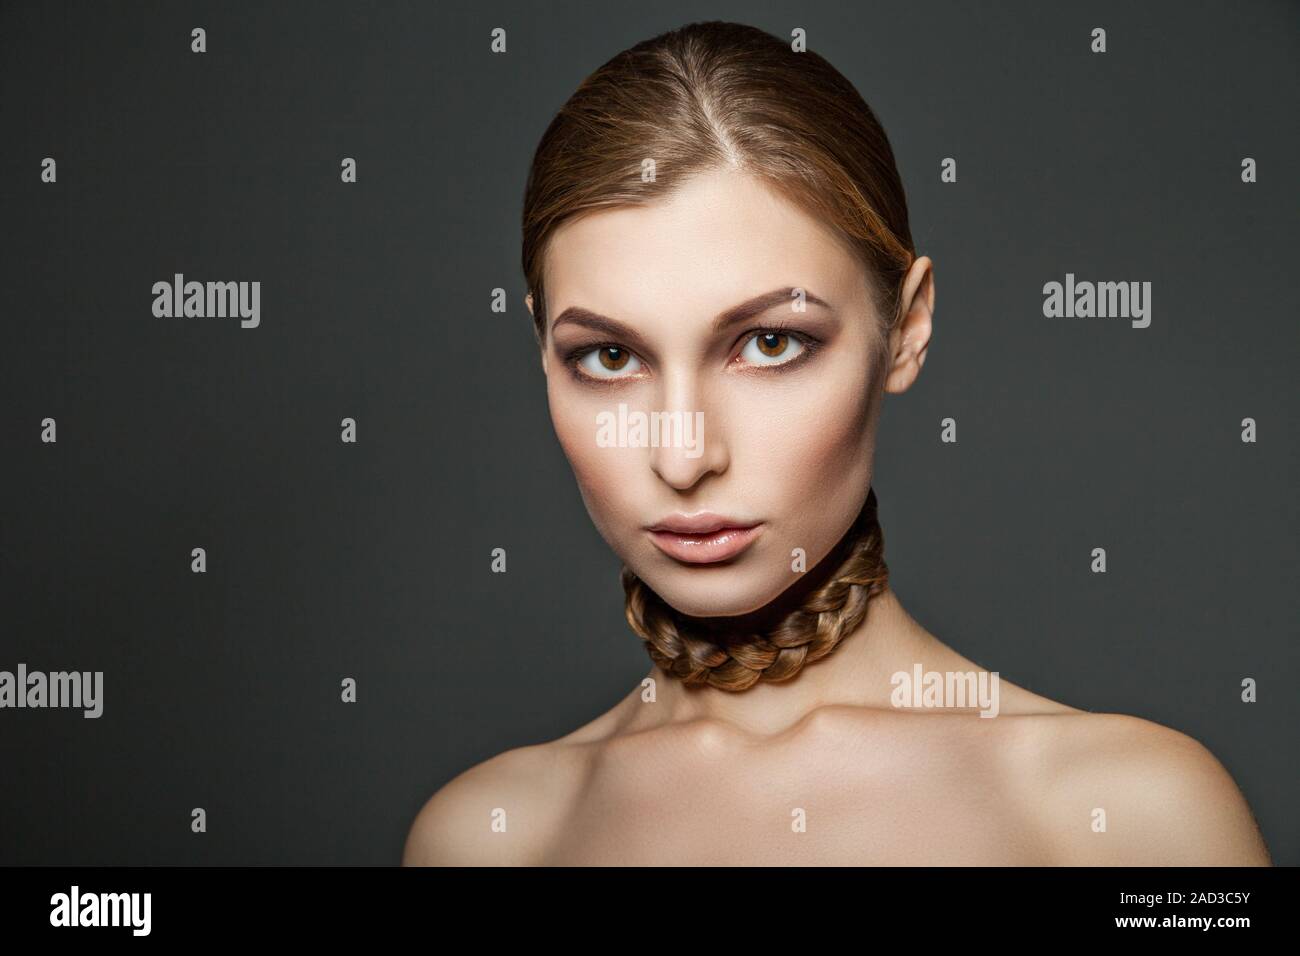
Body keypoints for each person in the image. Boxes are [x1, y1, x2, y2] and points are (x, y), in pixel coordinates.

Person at [403, 20, 1271, 865]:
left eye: (771, 343)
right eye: (610, 355)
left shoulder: (1132, 816)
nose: (682, 456)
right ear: (542, 354)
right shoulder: (491, 837)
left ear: (907, 328)